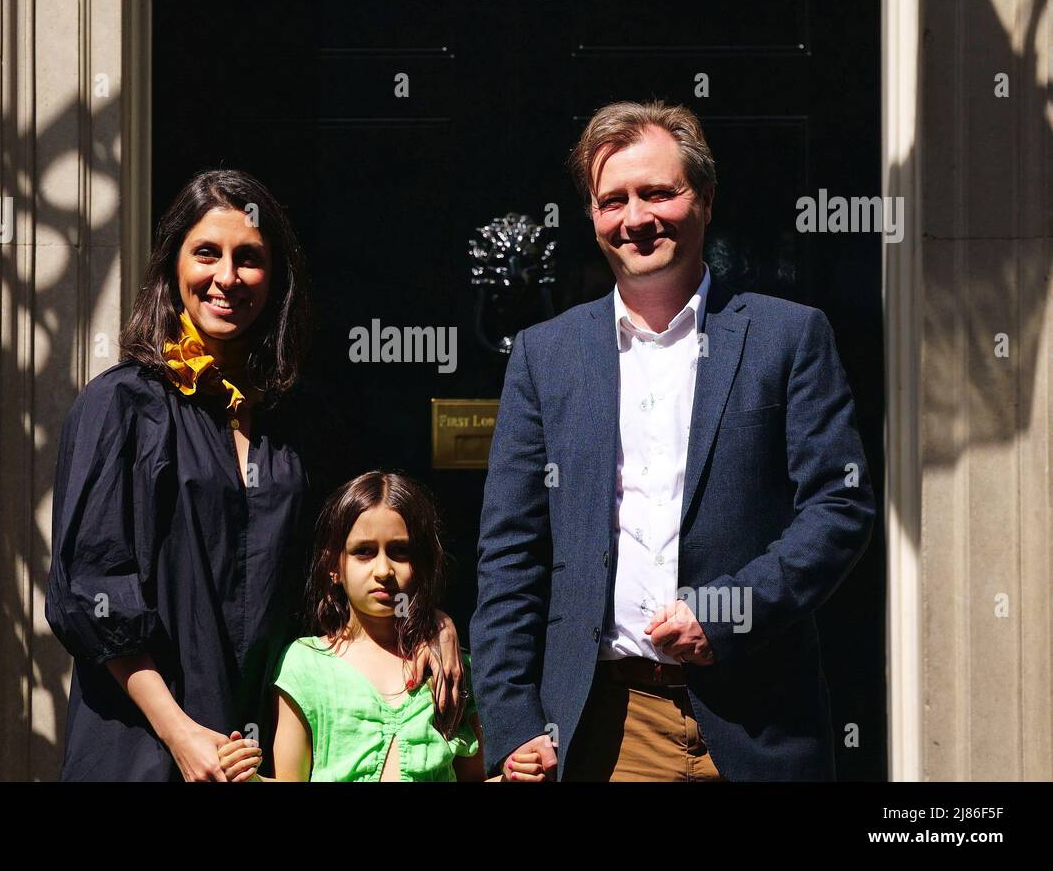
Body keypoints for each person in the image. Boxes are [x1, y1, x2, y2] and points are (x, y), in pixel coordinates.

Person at [470, 100, 877, 782]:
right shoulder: (547, 356)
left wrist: (727, 613)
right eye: (614, 200)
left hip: (760, 725)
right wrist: (511, 719)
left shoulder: (788, 336)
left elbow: (839, 510)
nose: (636, 218)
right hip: (610, 725)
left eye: (659, 192)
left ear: (706, 201)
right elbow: (511, 550)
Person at [45, 170, 464, 781]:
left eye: (250, 258)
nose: (227, 277)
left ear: (277, 277)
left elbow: (350, 555)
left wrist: (425, 620)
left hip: (270, 741)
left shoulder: (304, 419)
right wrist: (182, 734)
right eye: (206, 253)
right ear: (171, 268)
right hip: (141, 744)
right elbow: (90, 589)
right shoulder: (120, 407)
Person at [229, 471, 544, 782]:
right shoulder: (305, 664)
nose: (383, 570)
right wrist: (243, 775)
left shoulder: (450, 667)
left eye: (399, 551)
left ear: (421, 563)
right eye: (363, 552)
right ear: (333, 567)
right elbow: (290, 779)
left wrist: (513, 776)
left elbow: (471, 776)